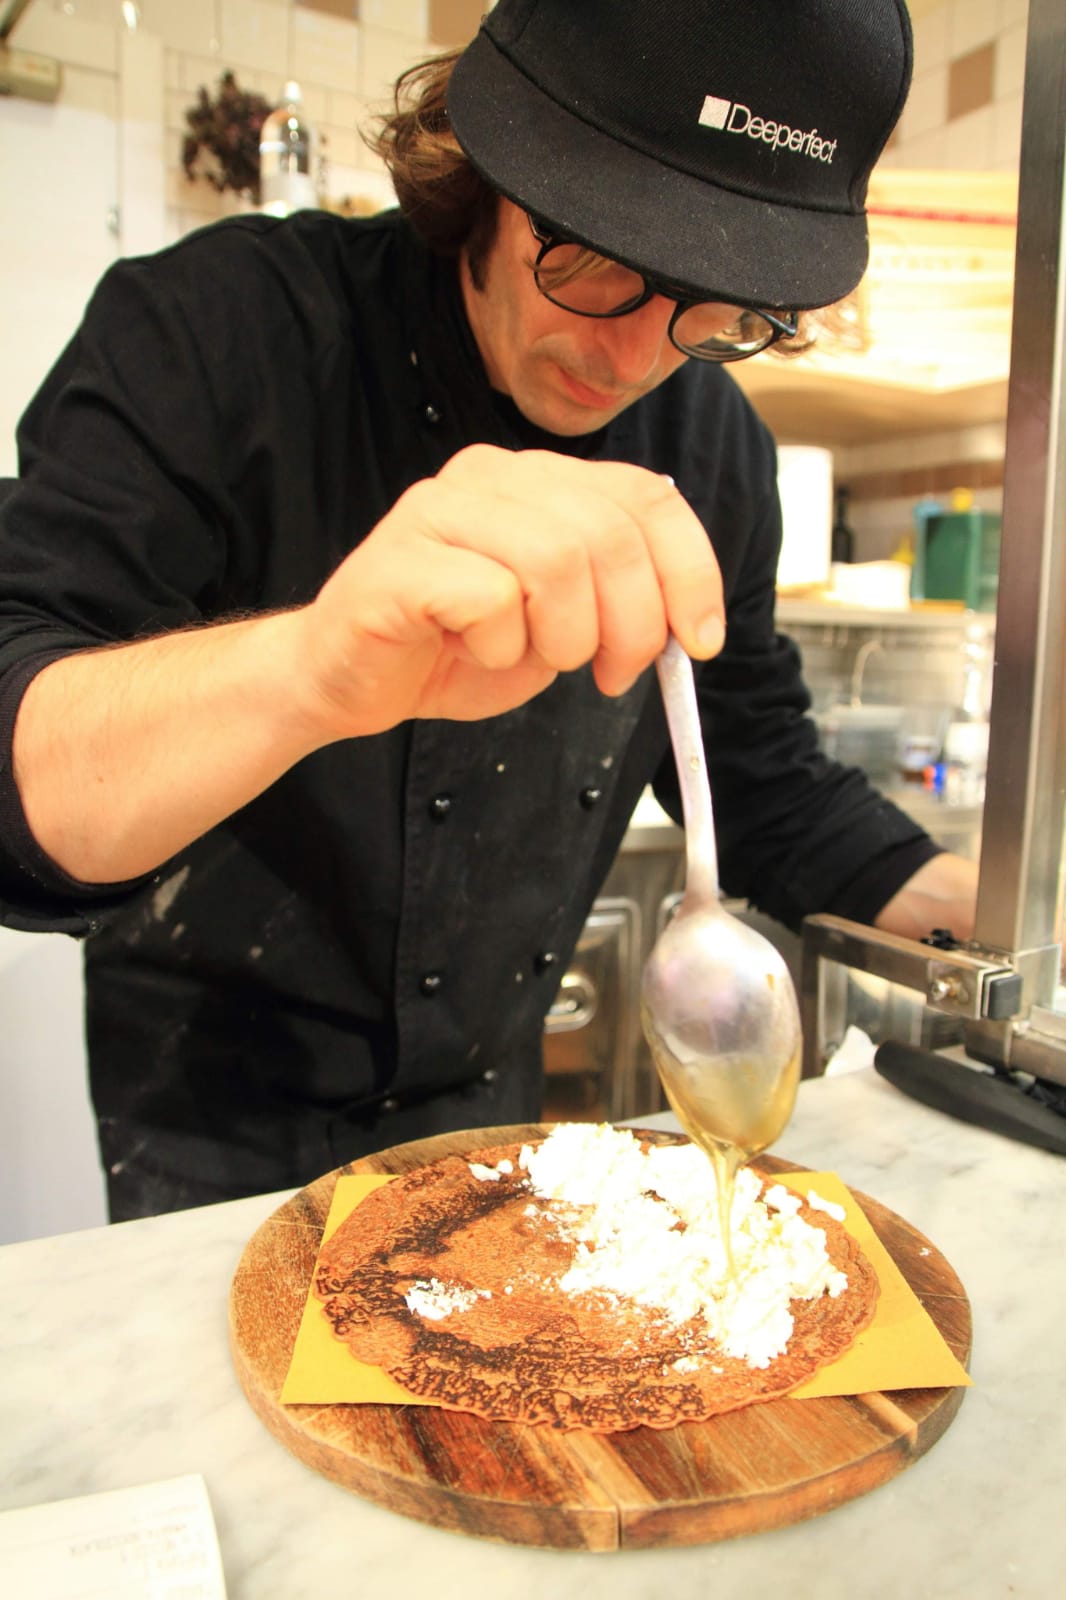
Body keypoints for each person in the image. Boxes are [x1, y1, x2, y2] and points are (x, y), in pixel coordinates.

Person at [0, 0, 975, 1221]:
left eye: (713, 307)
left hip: (493, 1109)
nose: (628, 357)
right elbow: (16, 761)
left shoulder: (712, 451)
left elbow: (760, 776)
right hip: (207, 1127)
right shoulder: (218, 331)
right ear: (495, 166)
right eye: (598, 257)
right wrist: (314, 664)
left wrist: (991, 909)